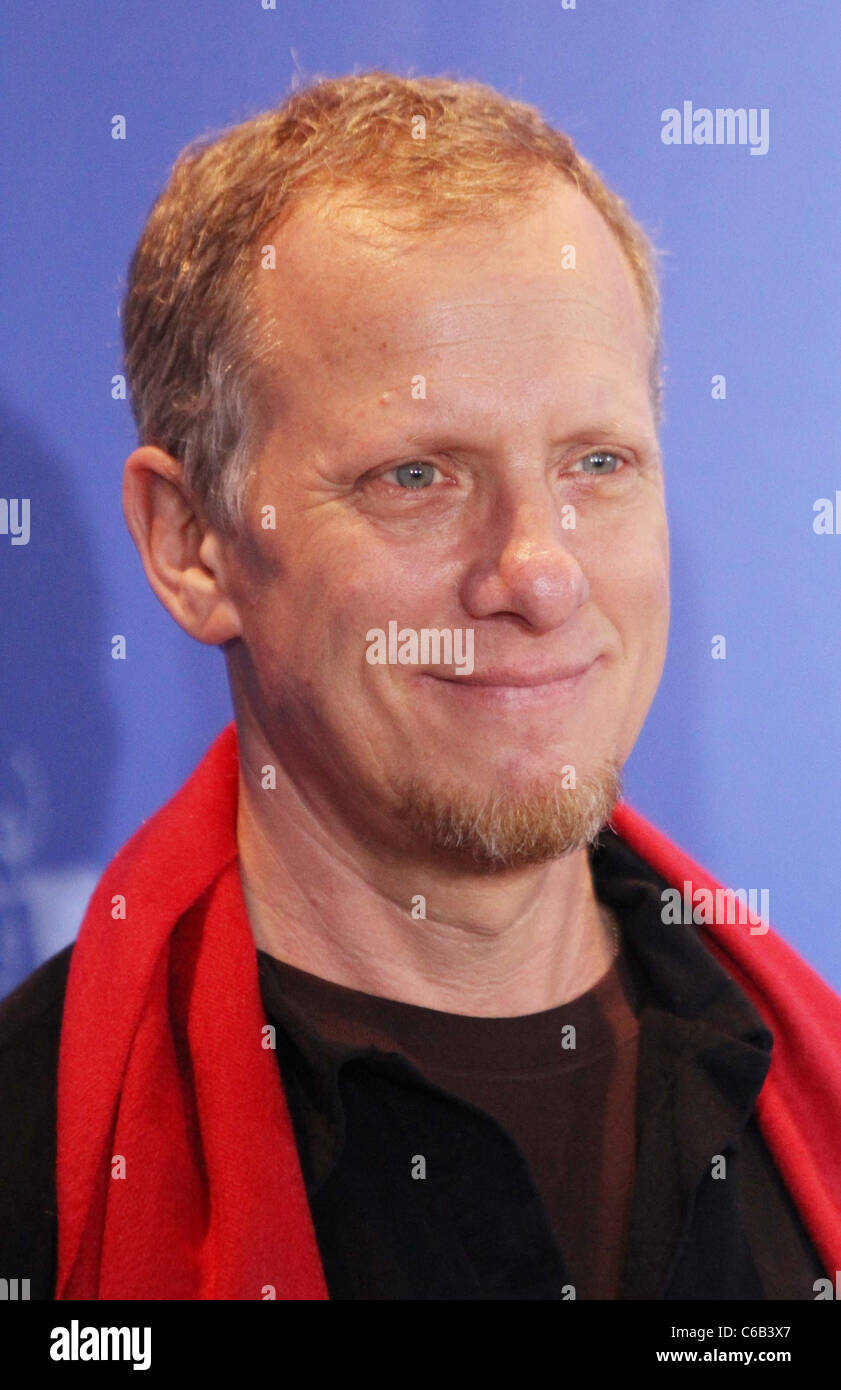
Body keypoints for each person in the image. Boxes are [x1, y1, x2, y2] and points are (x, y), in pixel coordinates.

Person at [1, 71, 840, 1303]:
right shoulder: (32, 1175)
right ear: (192, 544)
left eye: (596, 461)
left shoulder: (801, 1079)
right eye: (415, 477)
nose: (538, 573)